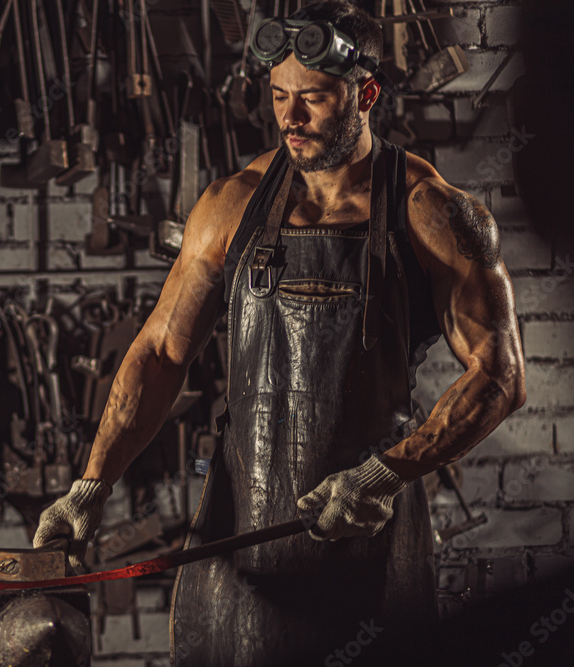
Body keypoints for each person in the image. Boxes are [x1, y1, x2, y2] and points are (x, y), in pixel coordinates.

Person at [33, 1, 527, 664]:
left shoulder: (431, 211)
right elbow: (160, 353)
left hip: (369, 541)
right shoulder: (230, 204)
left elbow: (499, 375)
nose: (289, 118)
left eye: (313, 99)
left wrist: (385, 474)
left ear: (365, 95)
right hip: (241, 540)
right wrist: (92, 485)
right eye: (278, 96)